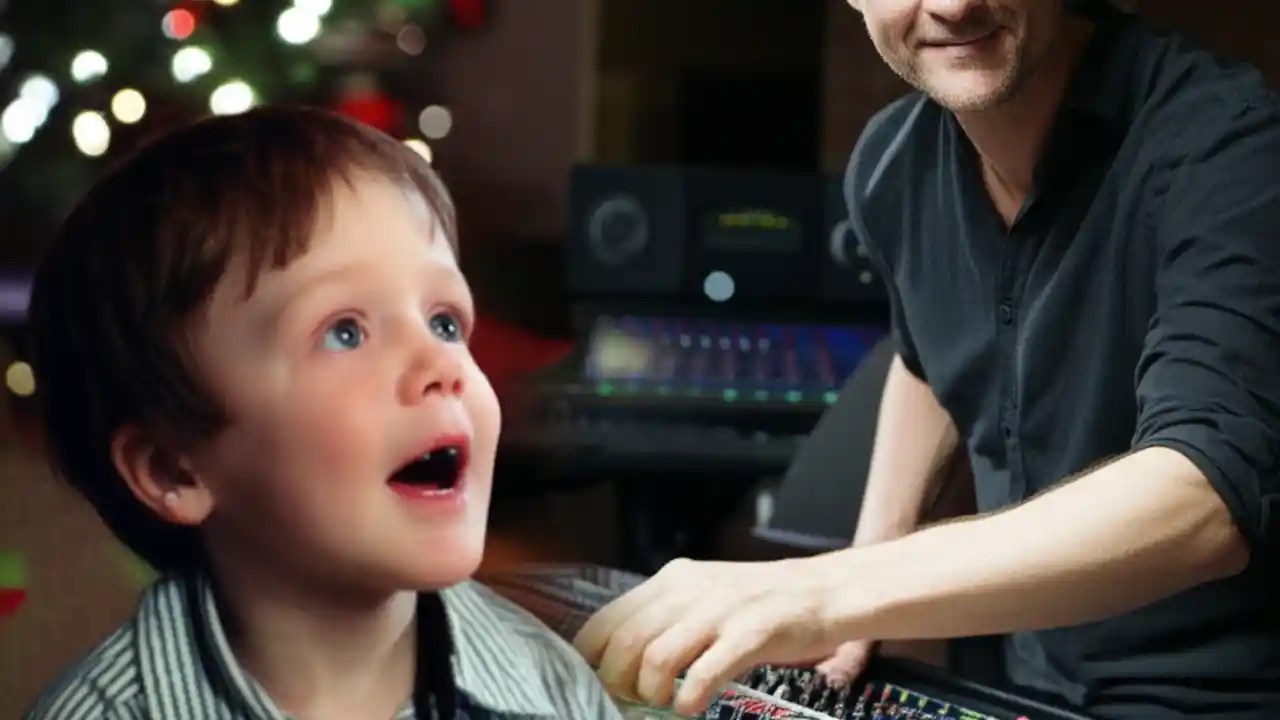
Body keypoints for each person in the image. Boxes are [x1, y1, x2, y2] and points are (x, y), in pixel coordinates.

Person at [573, 0, 1280, 717]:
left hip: (1220, 697)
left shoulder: (1231, 148)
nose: (951, 4)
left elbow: (1205, 501)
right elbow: (930, 362)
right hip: (1029, 683)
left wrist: (822, 593)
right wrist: (856, 608)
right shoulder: (892, 164)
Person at [23, 106, 622, 720]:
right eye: (345, 332)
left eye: (445, 322)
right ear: (175, 470)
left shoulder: (558, 677)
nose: (442, 365)